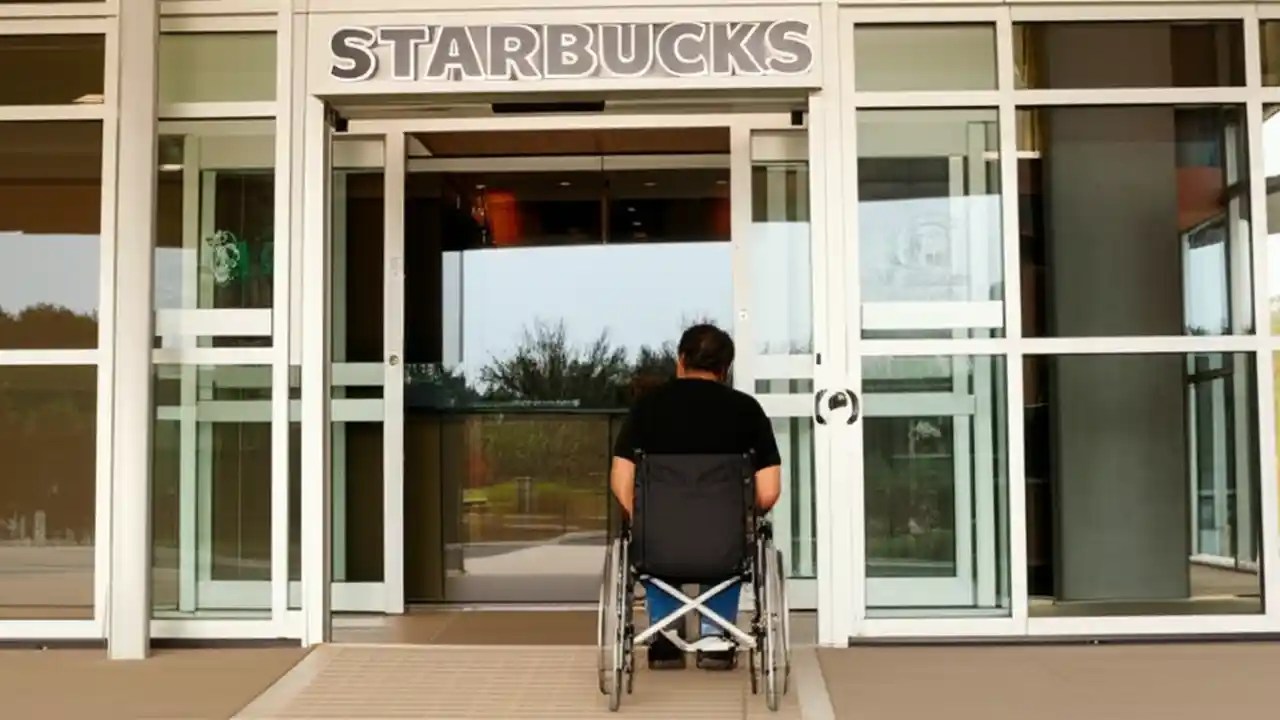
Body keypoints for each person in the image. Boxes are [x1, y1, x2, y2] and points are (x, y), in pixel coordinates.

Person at [609, 323, 782, 671]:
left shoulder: (647, 408)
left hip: (658, 542)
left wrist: (641, 516)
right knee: (729, 540)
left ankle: (664, 637)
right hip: (725, 544)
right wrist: (741, 516)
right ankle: (716, 637)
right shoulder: (747, 411)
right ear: (725, 368)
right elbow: (768, 490)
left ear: (681, 360)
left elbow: (620, 479)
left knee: (653, 538)